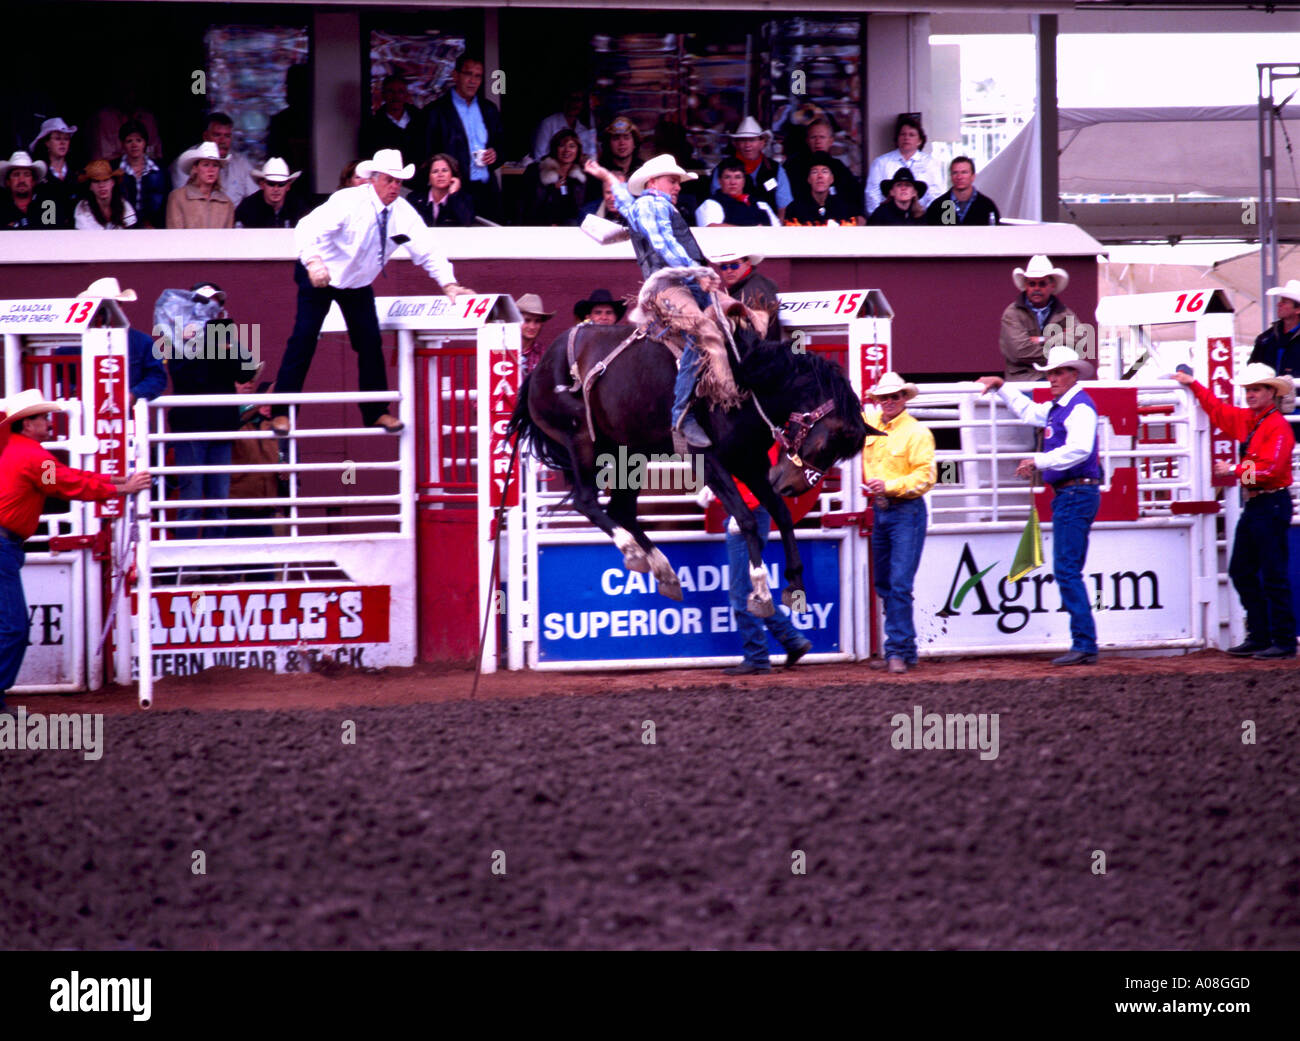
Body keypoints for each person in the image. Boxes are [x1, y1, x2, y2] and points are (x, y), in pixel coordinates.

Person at [270, 149, 474, 436]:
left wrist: (449, 283)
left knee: (369, 343)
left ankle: (376, 412)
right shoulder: (348, 201)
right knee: (303, 338)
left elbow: (428, 249)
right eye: (389, 180)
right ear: (373, 180)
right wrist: (313, 262)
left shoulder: (403, 213)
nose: (394, 187)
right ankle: (282, 413)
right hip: (320, 273)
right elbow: (307, 228)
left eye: (398, 181)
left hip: (356, 283)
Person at [585, 152, 749, 449]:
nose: (677, 187)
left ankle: (724, 396)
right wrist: (697, 270)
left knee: (739, 318)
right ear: (653, 182)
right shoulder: (650, 205)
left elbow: (623, 200)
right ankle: (682, 414)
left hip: (684, 282)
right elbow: (663, 242)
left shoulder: (643, 205)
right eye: (673, 180)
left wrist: (606, 176)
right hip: (670, 285)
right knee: (701, 331)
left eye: (678, 182)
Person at [0, 389, 151, 711]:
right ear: (27, 424)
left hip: (6, 544)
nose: (48, 422)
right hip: (3, 546)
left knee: (10, 626)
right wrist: (121, 488)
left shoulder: (21, 452)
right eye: (42, 417)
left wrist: (118, 481)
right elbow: (69, 483)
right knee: (13, 628)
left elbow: (70, 478)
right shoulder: (32, 456)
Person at [977, 346, 1104, 666]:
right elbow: (1030, 412)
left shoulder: (1078, 409)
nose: (1053, 378)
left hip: (1075, 493)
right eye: (1051, 373)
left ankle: (1085, 643)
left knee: (1066, 568)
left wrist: (1039, 459)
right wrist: (1003, 386)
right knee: (1067, 567)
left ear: (1073, 374)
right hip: (1073, 492)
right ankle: (1084, 641)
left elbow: (1078, 450)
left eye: (1059, 372)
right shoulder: (1064, 407)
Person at [1172, 363, 1297, 659]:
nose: (1250, 395)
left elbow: (1271, 469)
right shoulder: (1257, 422)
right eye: (1249, 390)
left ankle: (1279, 640)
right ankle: (1266, 636)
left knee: (1267, 573)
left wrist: (1235, 469)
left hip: (1268, 502)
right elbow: (1217, 410)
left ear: (1270, 392)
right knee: (1244, 571)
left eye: (1255, 390)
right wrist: (1193, 384)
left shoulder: (1275, 426)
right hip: (1261, 503)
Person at [160, 283, 259, 540]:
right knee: (191, 501)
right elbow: (185, 378)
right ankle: (185, 566)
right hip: (191, 427)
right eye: (208, 303)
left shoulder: (223, 336)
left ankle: (214, 564)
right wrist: (207, 346)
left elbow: (247, 372)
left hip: (221, 426)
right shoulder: (176, 334)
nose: (214, 309)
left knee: (219, 502)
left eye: (218, 303)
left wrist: (229, 347)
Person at [862, 373, 936, 674]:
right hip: (885, 511)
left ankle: (896, 650)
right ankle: (904, 650)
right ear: (877, 400)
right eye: (884, 397)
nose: (889, 402)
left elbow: (926, 476)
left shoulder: (917, 432)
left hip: (905, 510)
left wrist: (889, 486)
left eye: (895, 396)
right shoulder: (872, 426)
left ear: (904, 398)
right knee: (886, 583)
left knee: (898, 583)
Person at [715, 470, 814, 675]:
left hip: (745, 512)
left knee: (741, 591)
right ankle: (792, 640)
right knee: (750, 587)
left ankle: (757, 657)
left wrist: (742, 508)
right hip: (747, 510)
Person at [423, 54, 506, 223]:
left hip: (486, 190)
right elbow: (427, 154)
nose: (473, 81)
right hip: (453, 192)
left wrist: (495, 154)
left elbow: (502, 144)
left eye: (478, 76)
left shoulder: (489, 109)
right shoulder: (436, 111)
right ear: (455, 75)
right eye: (468, 74)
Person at [1000, 254, 1090, 381]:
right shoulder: (1012, 314)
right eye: (1032, 284)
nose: (1036, 288)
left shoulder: (1064, 313)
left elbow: (1081, 343)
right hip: (1024, 380)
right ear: (1026, 285)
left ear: (1052, 286)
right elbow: (1020, 352)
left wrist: (1040, 340)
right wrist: (1060, 346)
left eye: (1042, 284)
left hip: (1058, 379)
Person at [709, 116, 791, 220]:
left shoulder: (776, 169)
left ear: (762, 143)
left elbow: (784, 207)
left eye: (752, 140)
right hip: (731, 226)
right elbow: (715, 201)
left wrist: (778, 231)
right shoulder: (722, 168)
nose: (747, 145)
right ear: (736, 143)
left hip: (769, 227)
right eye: (743, 140)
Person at [170, 112, 257, 208]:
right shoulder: (186, 161)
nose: (222, 141)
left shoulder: (241, 162)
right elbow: (182, 202)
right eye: (217, 135)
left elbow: (255, 197)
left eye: (227, 136)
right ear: (205, 136)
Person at [865, 114, 943, 215]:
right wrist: (879, 218)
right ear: (897, 138)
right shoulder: (881, 163)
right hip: (887, 222)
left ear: (919, 140)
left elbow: (936, 195)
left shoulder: (930, 163)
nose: (906, 138)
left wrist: (926, 218)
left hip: (922, 221)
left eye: (911, 135)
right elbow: (872, 195)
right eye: (903, 134)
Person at [785, 117, 861, 207]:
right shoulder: (793, 166)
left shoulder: (839, 167)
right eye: (813, 137)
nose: (818, 141)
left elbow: (854, 194)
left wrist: (859, 214)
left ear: (831, 141)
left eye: (822, 137)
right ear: (807, 141)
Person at [517, 129, 586, 226]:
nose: (567, 150)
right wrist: (552, 190)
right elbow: (526, 207)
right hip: (539, 227)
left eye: (572, 146)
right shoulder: (535, 171)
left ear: (578, 150)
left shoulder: (583, 176)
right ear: (554, 148)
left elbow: (581, 211)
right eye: (561, 145)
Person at [166, 142, 234, 229]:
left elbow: (228, 238)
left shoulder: (226, 203)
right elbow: (174, 234)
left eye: (215, 165)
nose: (211, 170)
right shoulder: (178, 197)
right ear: (195, 168)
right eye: (206, 165)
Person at [694, 157, 779, 227]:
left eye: (738, 177)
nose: (733, 182)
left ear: (744, 180)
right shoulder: (711, 203)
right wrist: (751, 232)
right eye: (727, 177)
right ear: (719, 180)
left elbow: (777, 230)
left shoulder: (760, 203)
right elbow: (712, 228)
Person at [361, 74, 423, 169]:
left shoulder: (421, 120)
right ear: (383, 95)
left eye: (400, 92)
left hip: (420, 177)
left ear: (406, 94)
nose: (396, 96)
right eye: (391, 92)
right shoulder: (372, 126)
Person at [784, 152, 864, 225]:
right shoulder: (794, 209)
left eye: (824, 172)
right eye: (814, 172)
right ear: (809, 179)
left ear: (831, 179)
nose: (820, 176)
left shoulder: (845, 208)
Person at [117, 119, 168, 228]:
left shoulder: (160, 170)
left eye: (138, 140)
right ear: (122, 144)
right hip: (122, 228)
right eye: (129, 141)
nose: (134, 145)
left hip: (153, 229)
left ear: (145, 143)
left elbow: (165, 204)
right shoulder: (114, 169)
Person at [711, 251, 780, 331]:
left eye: (734, 265)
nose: (729, 271)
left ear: (747, 264)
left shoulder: (749, 295)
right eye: (724, 267)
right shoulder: (762, 282)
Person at [924, 156, 1001, 226]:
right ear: (951, 176)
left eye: (964, 172)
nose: (959, 177)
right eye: (955, 173)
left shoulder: (987, 206)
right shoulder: (937, 206)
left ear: (973, 176)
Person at [29, 117, 78, 227]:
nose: (62, 143)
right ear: (47, 143)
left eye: (66, 139)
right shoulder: (40, 175)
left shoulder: (75, 173)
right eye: (57, 138)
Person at [235, 157, 308, 229]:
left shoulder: (297, 207)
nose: (276, 189)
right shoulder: (247, 208)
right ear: (262, 184)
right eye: (271, 183)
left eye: (281, 184)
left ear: (288, 186)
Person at [1249, 279, 1300, 381]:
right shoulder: (1265, 339)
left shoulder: (1266, 338)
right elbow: (1252, 367)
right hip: (1270, 395)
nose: (1279, 304)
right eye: (1281, 301)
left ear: (1298, 310)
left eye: (1284, 302)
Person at [585, 116, 642, 203]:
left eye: (626, 137)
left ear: (634, 143)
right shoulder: (599, 172)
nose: (622, 143)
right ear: (608, 144)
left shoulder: (643, 170)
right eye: (616, 138)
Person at [409, 153, 475, 227]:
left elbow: (467, 222)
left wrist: (453, 195)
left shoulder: (464, 199)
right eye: (435, 171)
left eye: (445, 170)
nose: (440, 175)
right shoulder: (414, 199)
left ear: (453, 175)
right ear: (429, 178)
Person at [533, 89, 597, 162]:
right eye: (570, 99)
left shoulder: (583, 129)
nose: (573, 104)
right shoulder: (548, 123)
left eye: (578, 100)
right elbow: (539, 156)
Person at [74, 160, 137, 230]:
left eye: (106, 180)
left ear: (112, 183)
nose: (101, 185)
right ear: (90, 186)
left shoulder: (124, 205)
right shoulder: (83, 208)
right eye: (96, 181)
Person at [0, 151, 52, 230]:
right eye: (16, 175)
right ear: (8, 182)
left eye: (27, 174)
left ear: (33, 181)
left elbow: (54, 236)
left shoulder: (48, 206)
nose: (21, 180)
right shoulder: (1, 208)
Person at [516, 293, 554, 374]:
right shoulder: (502, 350)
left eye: (537, 321)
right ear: (516, 321)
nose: (532, 327)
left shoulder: (545, 355)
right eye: (527, 320)